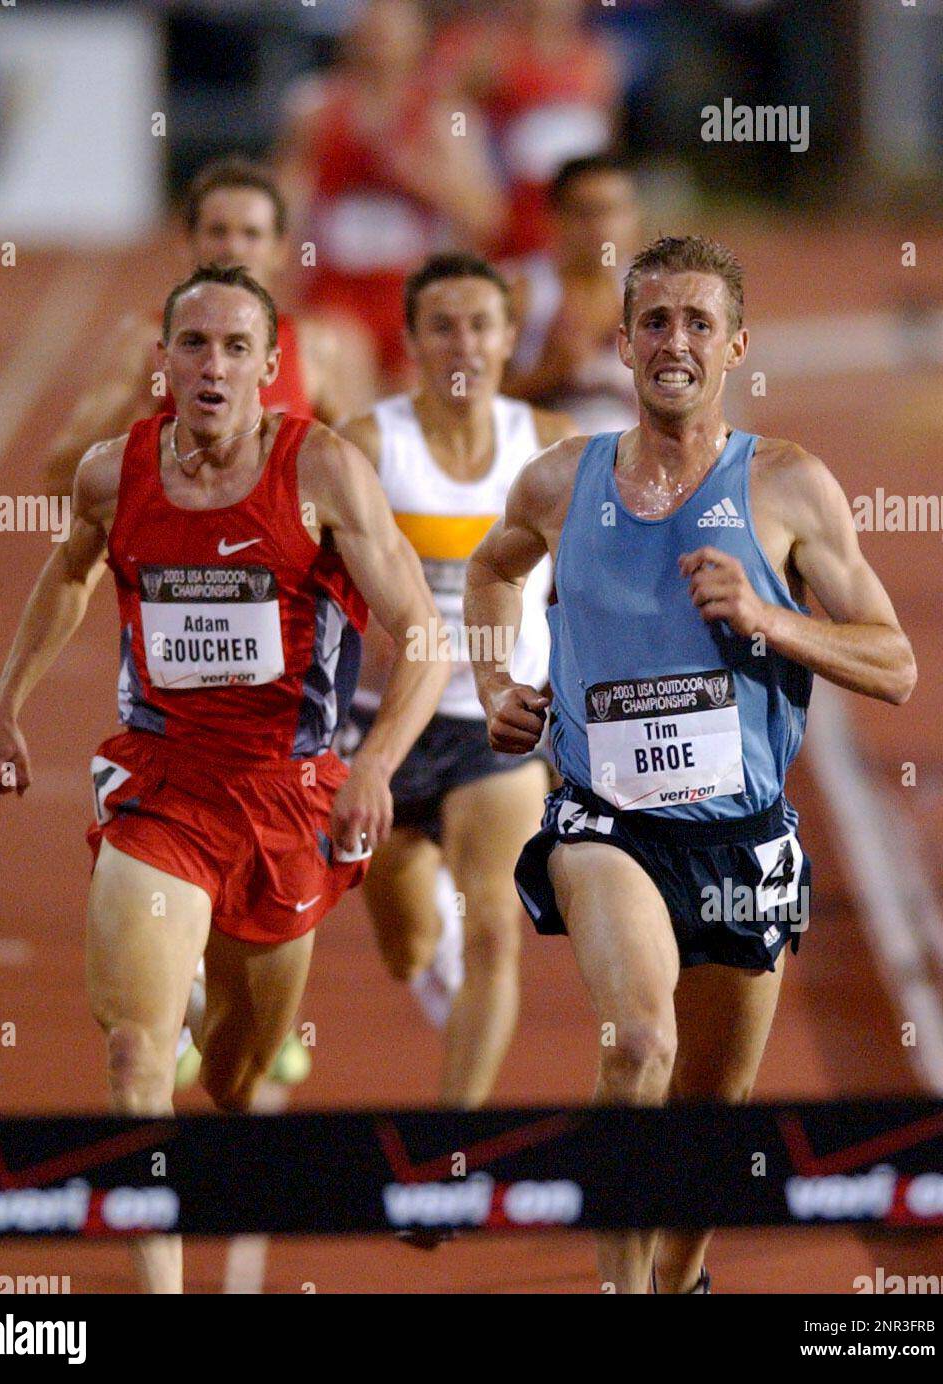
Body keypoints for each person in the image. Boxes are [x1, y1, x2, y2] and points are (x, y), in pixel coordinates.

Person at [0, 264, 448, 1293]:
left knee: (234, 1080)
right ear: (164, 361)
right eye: (194, 345)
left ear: (274, 369)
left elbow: (424, 634)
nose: (214, 365)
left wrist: (374, 762)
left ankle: (213, 1011)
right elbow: (69, 569)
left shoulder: (323, 471)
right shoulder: (116, 471)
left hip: (289, 799)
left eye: (238, 348)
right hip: (163, 783)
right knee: (138, 1055)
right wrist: (4, 703)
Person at [464, 235, 917, 1293]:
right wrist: (496, 685)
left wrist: (769, 619)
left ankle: (675, 1283)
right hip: (605, 823)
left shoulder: (790, 485)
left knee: (710, 1119)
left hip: (743, 840)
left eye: (698, 323)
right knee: (638, 1047)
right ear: (621, 344)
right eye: (655, 322)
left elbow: (893, 664)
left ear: (738, 344)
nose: (675, 342)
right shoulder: (558, 482)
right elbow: (492, 572)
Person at [339, 252, 575, 1110]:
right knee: (405, 949)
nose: (463, 342)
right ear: (410, 341)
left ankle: (453, 1144)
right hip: (386, 728)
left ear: (512, 335)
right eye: (442, 325)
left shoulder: (551, 445)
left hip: (496, 724)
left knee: (494, 932)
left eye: (481, 323)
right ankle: (420, 896)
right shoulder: (370, 445)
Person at [44, 156, 375, 499]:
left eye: (251, 234)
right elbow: (60, 476)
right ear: (188, 243)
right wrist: (135, 411)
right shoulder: (146, 342)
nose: (232, 248)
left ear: (280, 250)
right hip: (177, 544)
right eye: (218, 232)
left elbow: (367, 478)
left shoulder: (316, 345)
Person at [277, 0, 503, 385]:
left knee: (410, 411)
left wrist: (420, 178)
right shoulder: (315, 107)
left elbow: (486, 215)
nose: (381, 40)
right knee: (346, 385)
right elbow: (283, 206)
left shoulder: (444, 116)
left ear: (416, 37)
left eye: (392, 28)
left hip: (412, 288)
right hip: (338, 288)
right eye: (373, 26)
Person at [433, 0, 622, 257]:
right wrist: (471, 184)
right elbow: (450, 116)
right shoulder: (491, 54)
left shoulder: (595, 59)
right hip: (514, 205)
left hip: (575, 200)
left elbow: (607, 136)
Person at [504, 155, 643, 433]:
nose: (602, 227)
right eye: (587, 212)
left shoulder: (655, 293)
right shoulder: (521, 293)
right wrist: (549, 374)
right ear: (555, 218)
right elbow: (470, 407)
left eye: (614, 210)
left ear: (636, 216)